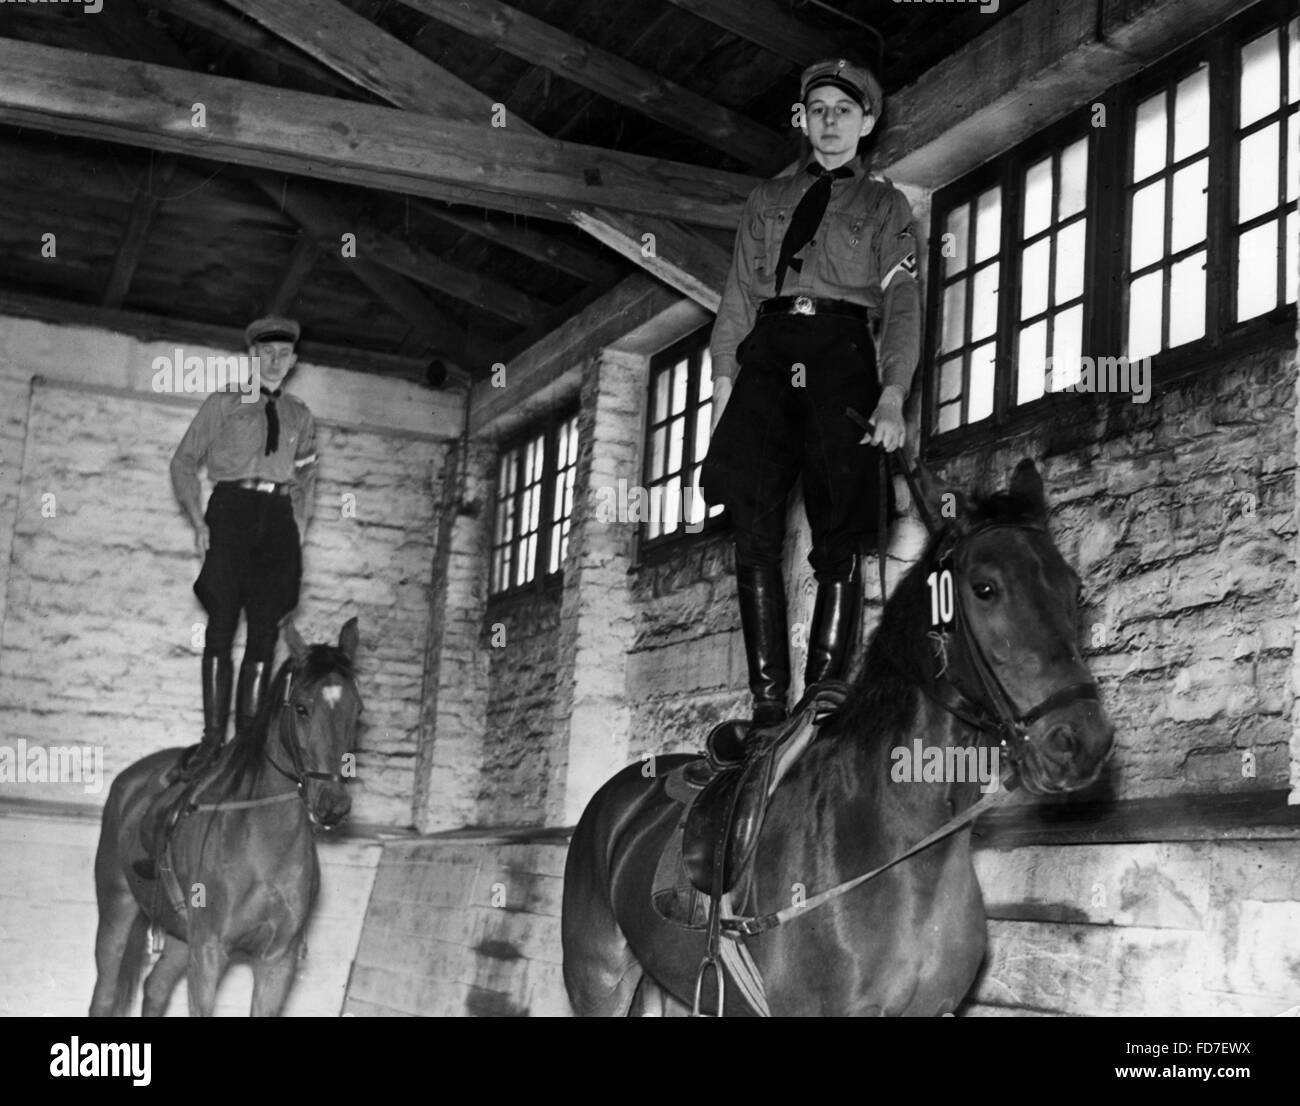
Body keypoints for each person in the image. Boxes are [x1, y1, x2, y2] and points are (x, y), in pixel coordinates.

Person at [701, 57, 921, 746]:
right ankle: (768, 704)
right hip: (767, 354)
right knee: (751, 520)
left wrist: (891, 398)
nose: (829, 121)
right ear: (803, 118)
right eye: (817, 108)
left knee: (844, 528)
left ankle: (823, 694)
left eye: (843, 110)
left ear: (866, 121)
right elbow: (737, 298)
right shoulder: (767, 199)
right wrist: (721, 397)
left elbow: (905, 306)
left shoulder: (886, 206)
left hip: (842, 354)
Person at [172, 314, 317, 772]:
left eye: (284, 354)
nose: (276, 360)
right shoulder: (224, 402)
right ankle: (212, 741)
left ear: (293, 361)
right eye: (267, 352)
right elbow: (183, 461)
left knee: (264, 634)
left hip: (276, 521)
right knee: (221, 624)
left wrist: (297, 531)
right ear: (254, 355)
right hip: (230, 511)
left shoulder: (300, 415)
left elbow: (306, 479)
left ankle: (246, 747)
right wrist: (198, 521)